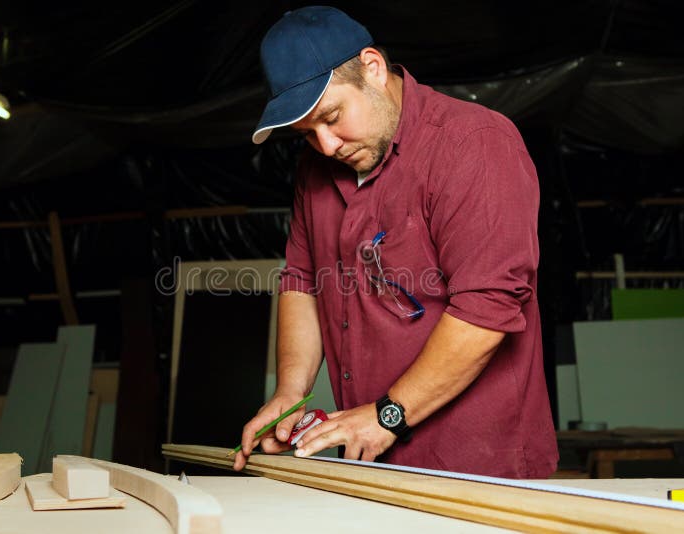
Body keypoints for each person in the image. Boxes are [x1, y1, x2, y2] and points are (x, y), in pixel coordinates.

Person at [233, 6, 558, 478]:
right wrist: (290, 393)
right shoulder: (316, 168)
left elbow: (488, 305)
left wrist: (388, 415)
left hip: (479, 464)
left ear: (373, 68)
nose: (326, 145)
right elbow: (304, 281)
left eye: (332, 117)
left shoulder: (475, 144)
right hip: (372, 461)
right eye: (306, 134)